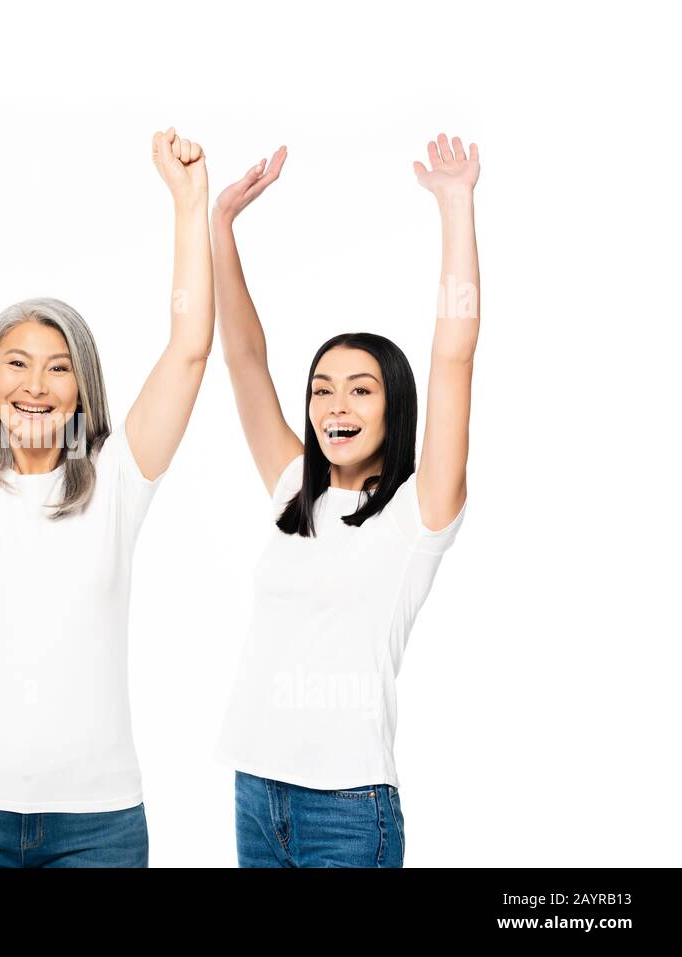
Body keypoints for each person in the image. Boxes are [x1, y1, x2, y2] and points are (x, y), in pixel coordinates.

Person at [0, 128, 214, 867]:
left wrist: (190, 205)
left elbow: (189, 349)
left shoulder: (119, 482)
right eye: (18, 363)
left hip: (97, 825)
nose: (35, 384)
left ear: (83, 386)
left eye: (59, 368)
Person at [211, 133, 479, 867]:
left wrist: (456, 206)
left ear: (393, 406)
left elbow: (454, 355)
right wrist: (220, 227)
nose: (335, 403)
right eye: (322, 388)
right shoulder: (293, 490)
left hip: (349, 812)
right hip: (256, 791)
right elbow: (242, 357)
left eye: (360, 389)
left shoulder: (417, 515)